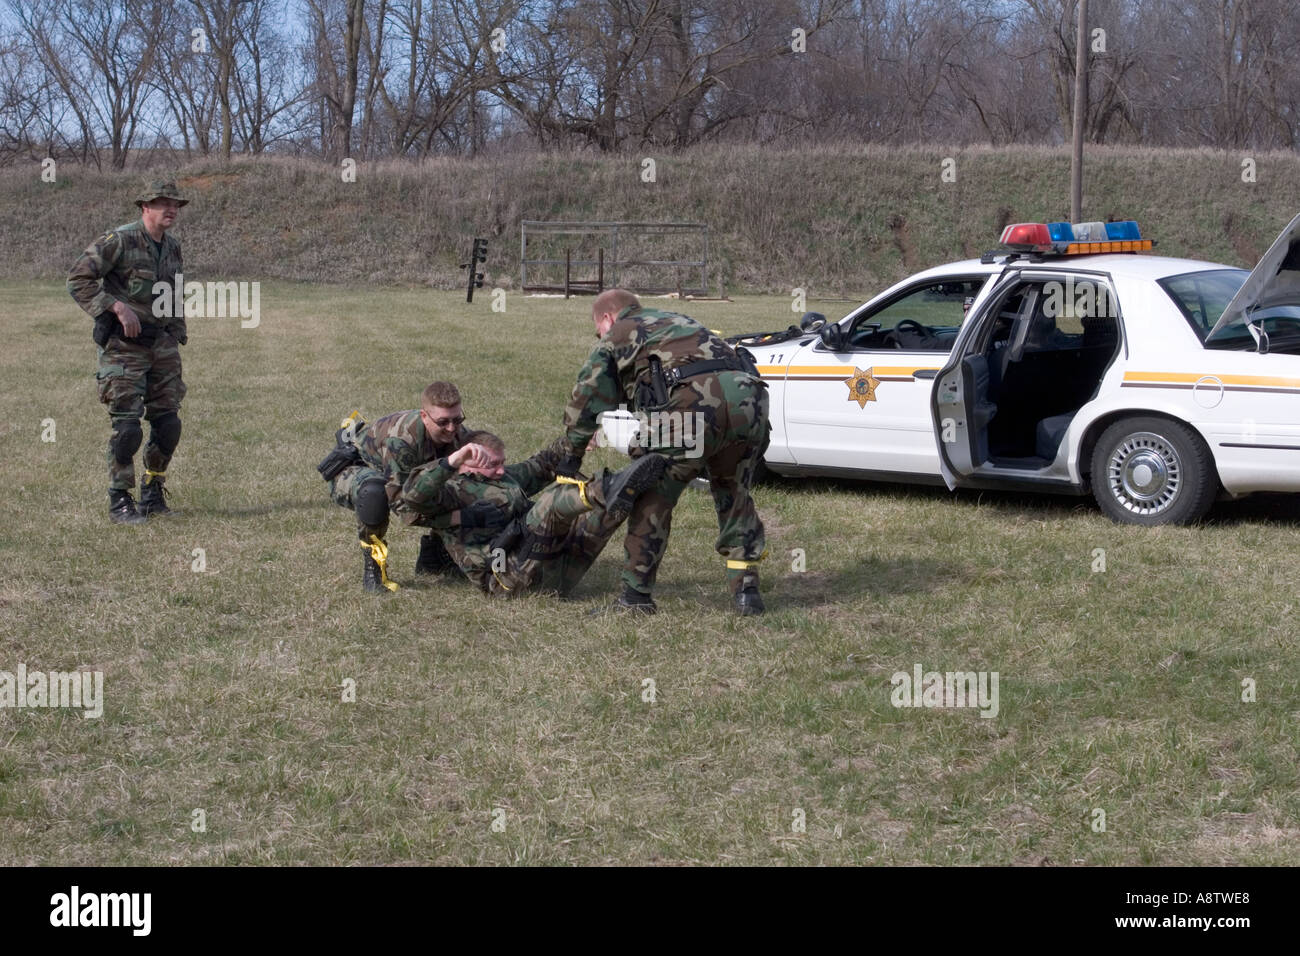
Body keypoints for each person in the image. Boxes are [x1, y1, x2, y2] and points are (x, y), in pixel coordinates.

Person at [554, 289, 770, 616]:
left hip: (692, 405)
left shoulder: (618, 332)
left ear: (607, 318)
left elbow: (587, 396)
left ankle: (635, 597)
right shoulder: (678, 321)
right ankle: (746, 590)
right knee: (733, 491)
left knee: (651, 492)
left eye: (597, 328)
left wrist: (570, 459)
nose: (600, 334)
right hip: (749, 401)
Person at [402, 431, 668, 597]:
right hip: (505, 581)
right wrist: (452, 460)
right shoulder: (450, 492)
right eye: (491, 465)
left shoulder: (506, 479)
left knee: (607, 510)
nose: (500, 470)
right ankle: (606, 487)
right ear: (465, 466)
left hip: (557, 574)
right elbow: (413, 497)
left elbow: (543, 463)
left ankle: (625, 487)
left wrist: (579, 439)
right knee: (554, 498)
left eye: (502, 462)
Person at [67, 179, 189, 524]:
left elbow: (174, 291)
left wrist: (177, 330)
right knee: (128, 428)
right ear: (144, 207)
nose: (170, 209)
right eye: (162, 202)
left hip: (160, 345)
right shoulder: (119, 240)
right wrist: (115, 307)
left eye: (175, 204)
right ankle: (120, 500)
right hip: (124, 348)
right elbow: (78, 279)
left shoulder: (173, 247)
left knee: (168, 425)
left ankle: (152, 493)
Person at [319, 381, 470, 592]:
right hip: (355, 468)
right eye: (443, 422)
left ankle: (435, 555)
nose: (452, 428)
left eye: (457, 419)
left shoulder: (458, 434)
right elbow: (403, 505)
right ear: (424, 416)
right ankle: (374, 566)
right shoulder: (401, 440)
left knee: (460, 485)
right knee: (375, 494)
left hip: (396, 472)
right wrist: (459, 518)